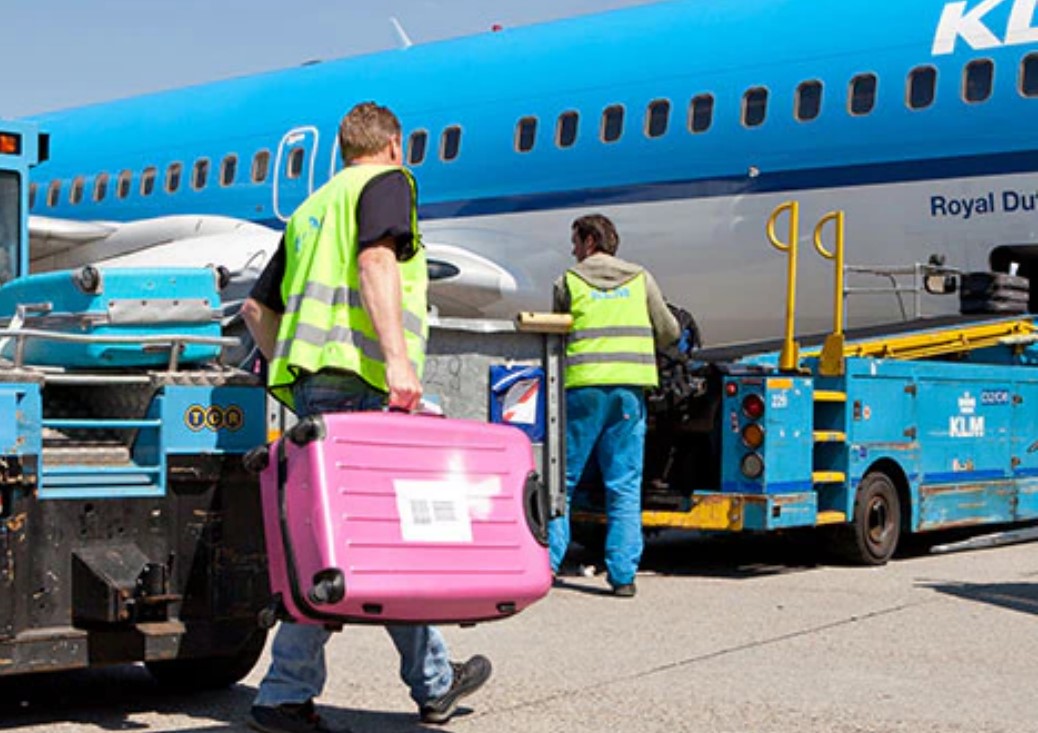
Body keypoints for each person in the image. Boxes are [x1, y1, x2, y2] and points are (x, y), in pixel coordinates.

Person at [241, 101, 491, 733]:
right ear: (393, 146)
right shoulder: (388, 184)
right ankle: (415, 685)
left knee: (331, 542)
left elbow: (254, 311)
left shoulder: (308, 211)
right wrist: (399, 364)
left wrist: (289, 373)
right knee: (391, 543)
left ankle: (296, 695)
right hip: (369, 387)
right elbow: (377, 262)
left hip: (315, 393)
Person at [549, 213, 680, 598]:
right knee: (623, 485)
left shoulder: (568, 281)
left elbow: (555, 334)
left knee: (564, 482)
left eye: (575, 242)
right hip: (629, 391)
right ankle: (623, 576)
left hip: (583, 389)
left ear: (590, 241)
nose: (573, 250)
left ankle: (549, 565)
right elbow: (670, 331)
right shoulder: (641, 278)